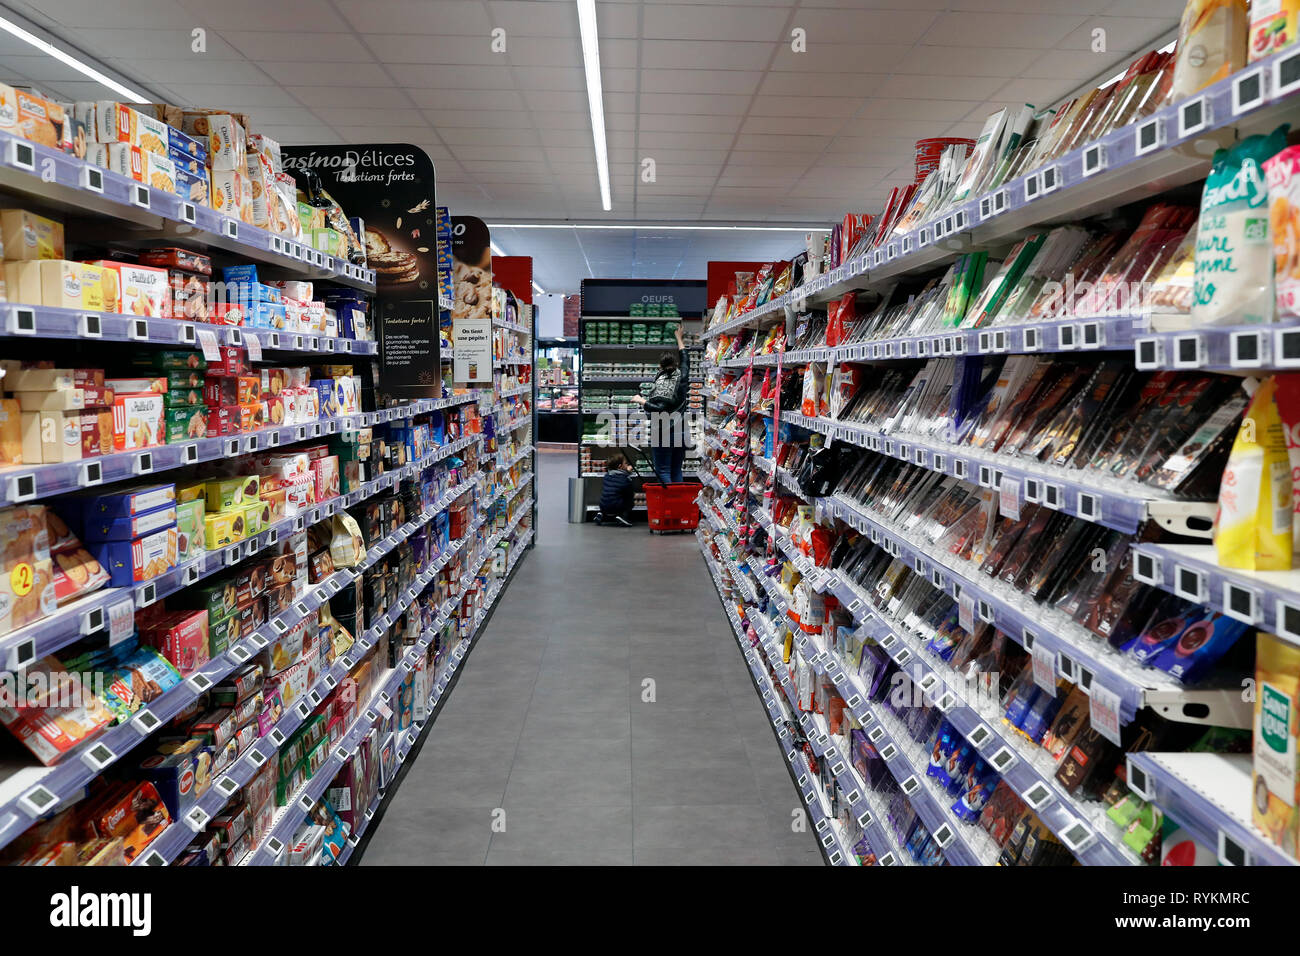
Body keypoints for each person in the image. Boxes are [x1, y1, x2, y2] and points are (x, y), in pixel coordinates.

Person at [632, 324, 689, 484]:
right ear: (675, 365)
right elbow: (685, 357)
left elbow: (659, 409)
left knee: (663, 470)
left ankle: (668, 506)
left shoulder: (662, 382)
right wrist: (679, 338)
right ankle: (675, 505)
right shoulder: (682, 374)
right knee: (676, 469)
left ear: (660, 367)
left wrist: (641, 400)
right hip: (681, 430)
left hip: (664, 432)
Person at [594, 452, 636, 526]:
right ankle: (622, 516)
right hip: (617, 507)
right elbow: (629, 492)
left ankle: (600, 514)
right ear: (620, 466)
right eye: (626, 463)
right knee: (629, 500)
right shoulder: (624, 478)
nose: (627, 465)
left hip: (603, 505)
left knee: (609, 496)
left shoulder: (607, 476)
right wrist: (628, 473)